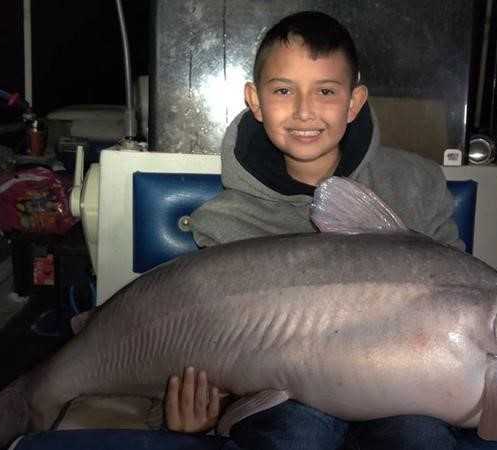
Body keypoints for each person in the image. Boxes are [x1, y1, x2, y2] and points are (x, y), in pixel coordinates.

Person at [164, 10, 463, 450]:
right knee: (294, 433)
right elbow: (219, 347)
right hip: (289, 398)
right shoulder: (223, 222)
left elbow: (462, 295)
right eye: (284, 90)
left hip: (403, 390)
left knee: (419, 437)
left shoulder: (417, 185)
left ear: (354, 102)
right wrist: (204, 411)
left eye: (326, 91)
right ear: (255, 101)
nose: (305, 111)